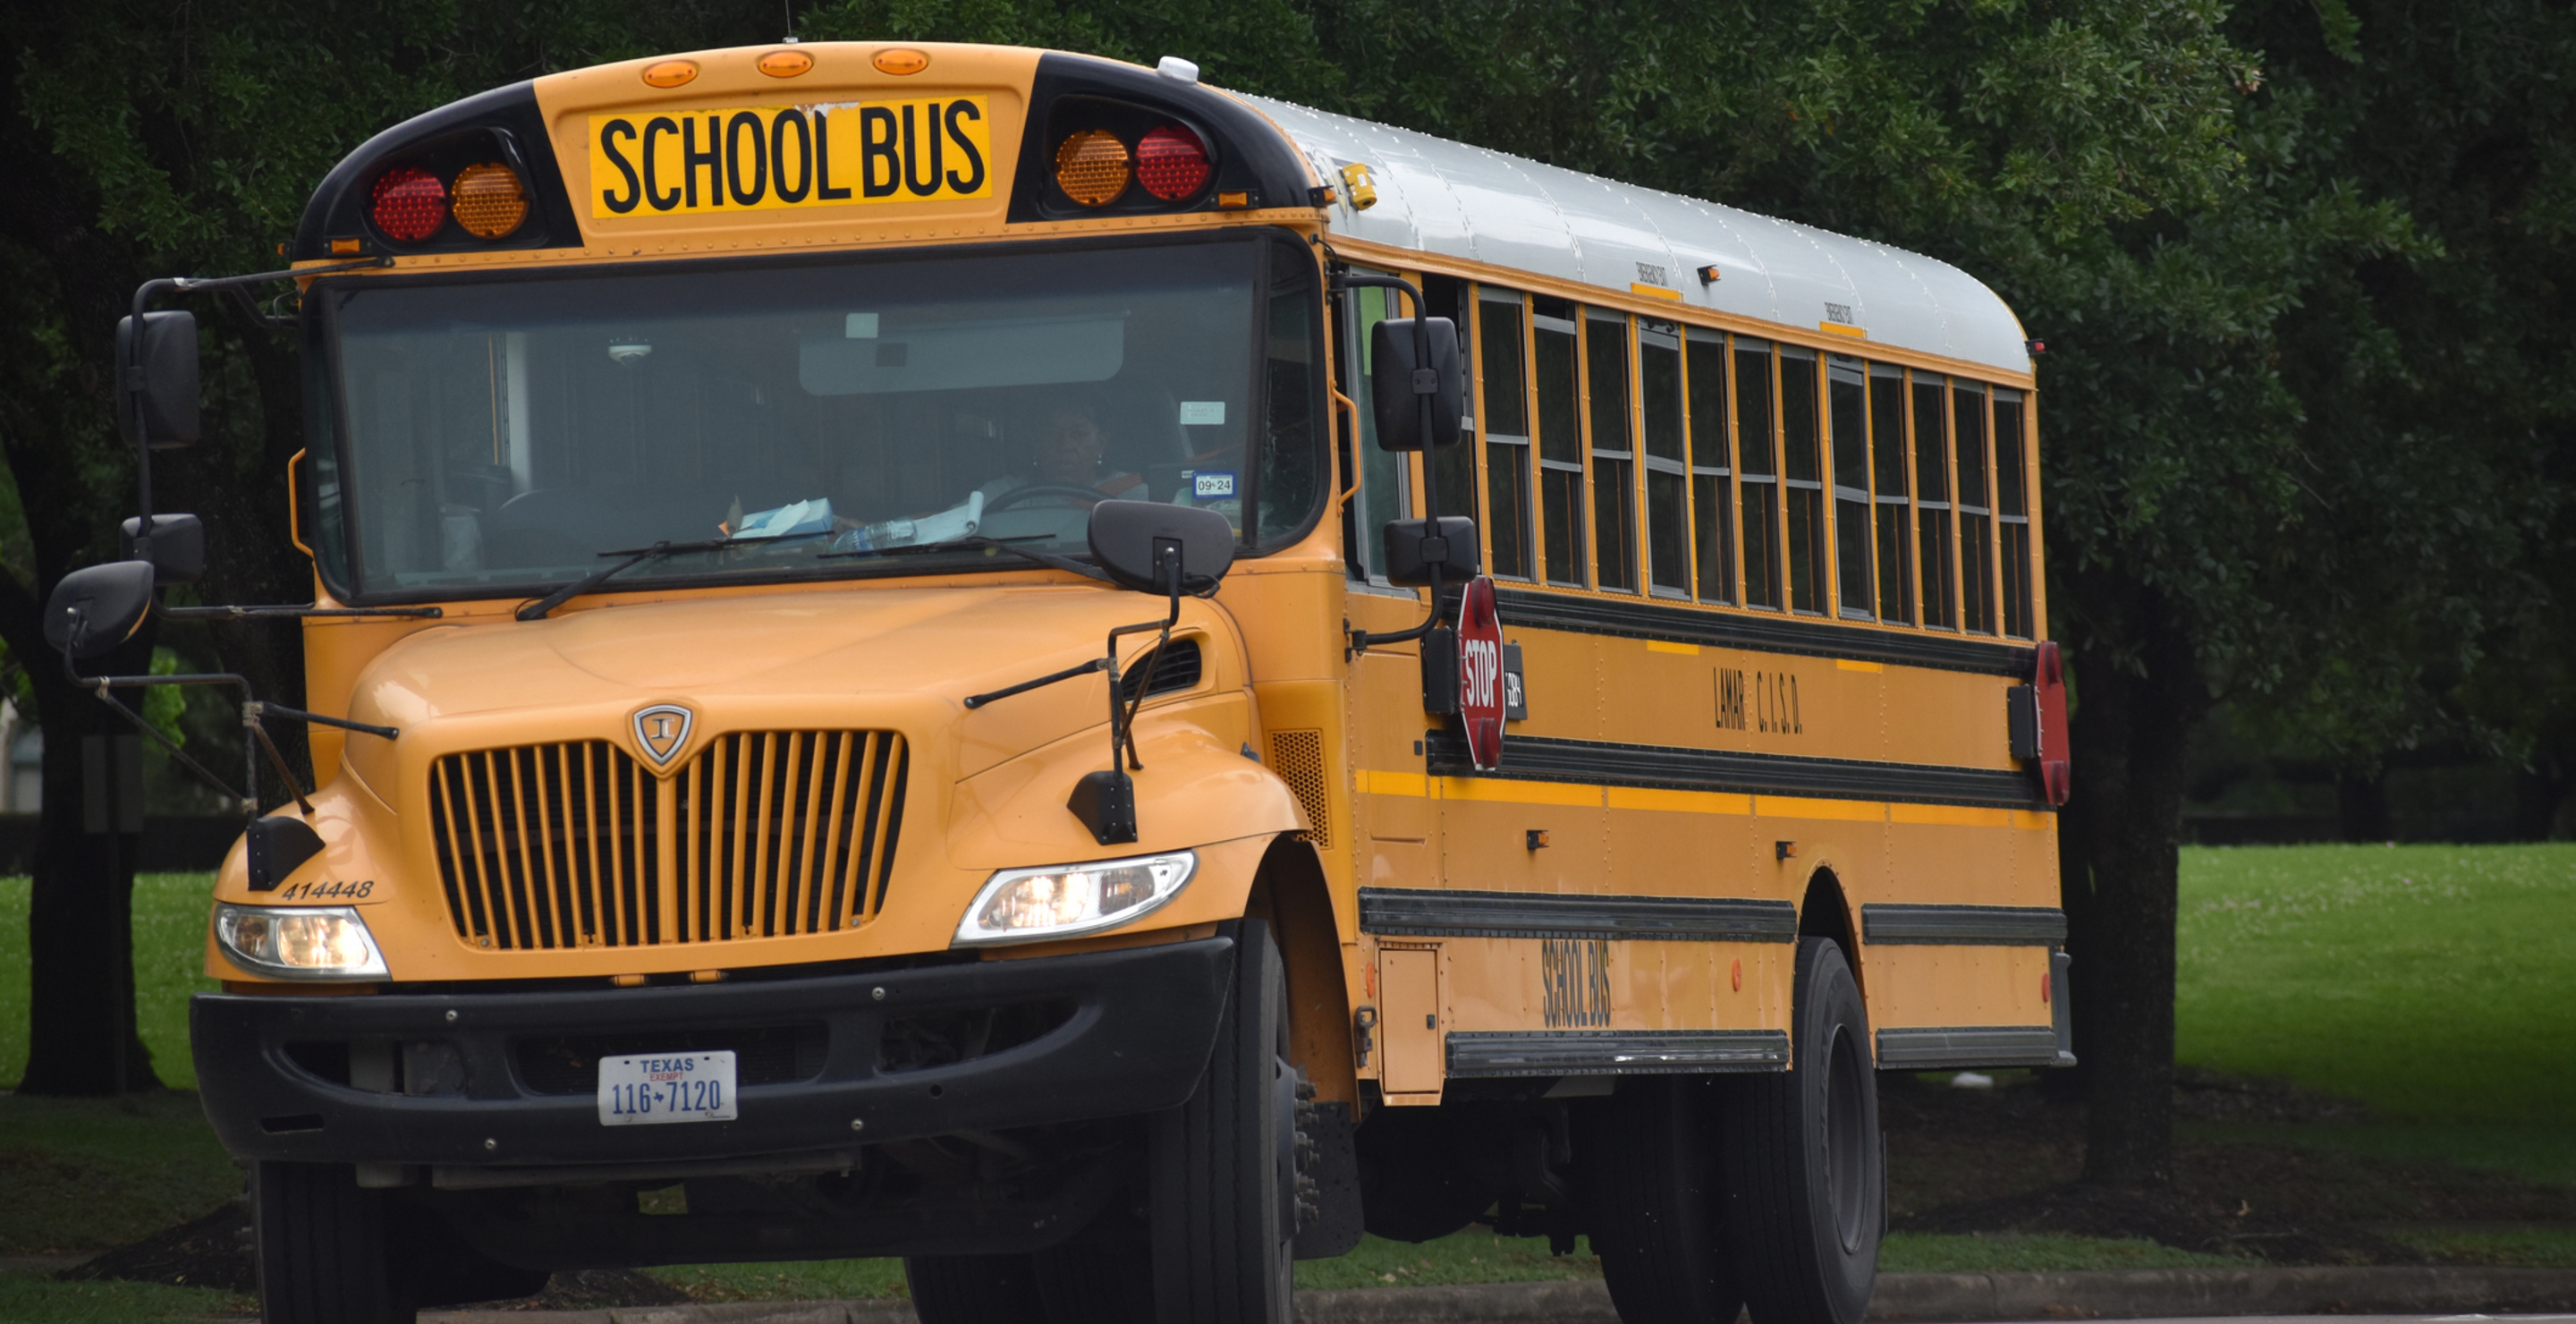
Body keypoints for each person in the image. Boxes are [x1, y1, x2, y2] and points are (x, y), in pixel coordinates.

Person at [980, 405, 1144, 505]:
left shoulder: (1132, 495)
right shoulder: (1002, 494)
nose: (1065, 445)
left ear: (1101, 443)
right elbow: (957, 524)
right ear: (1036, 443)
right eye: (1052, 434)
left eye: (1078, 434)